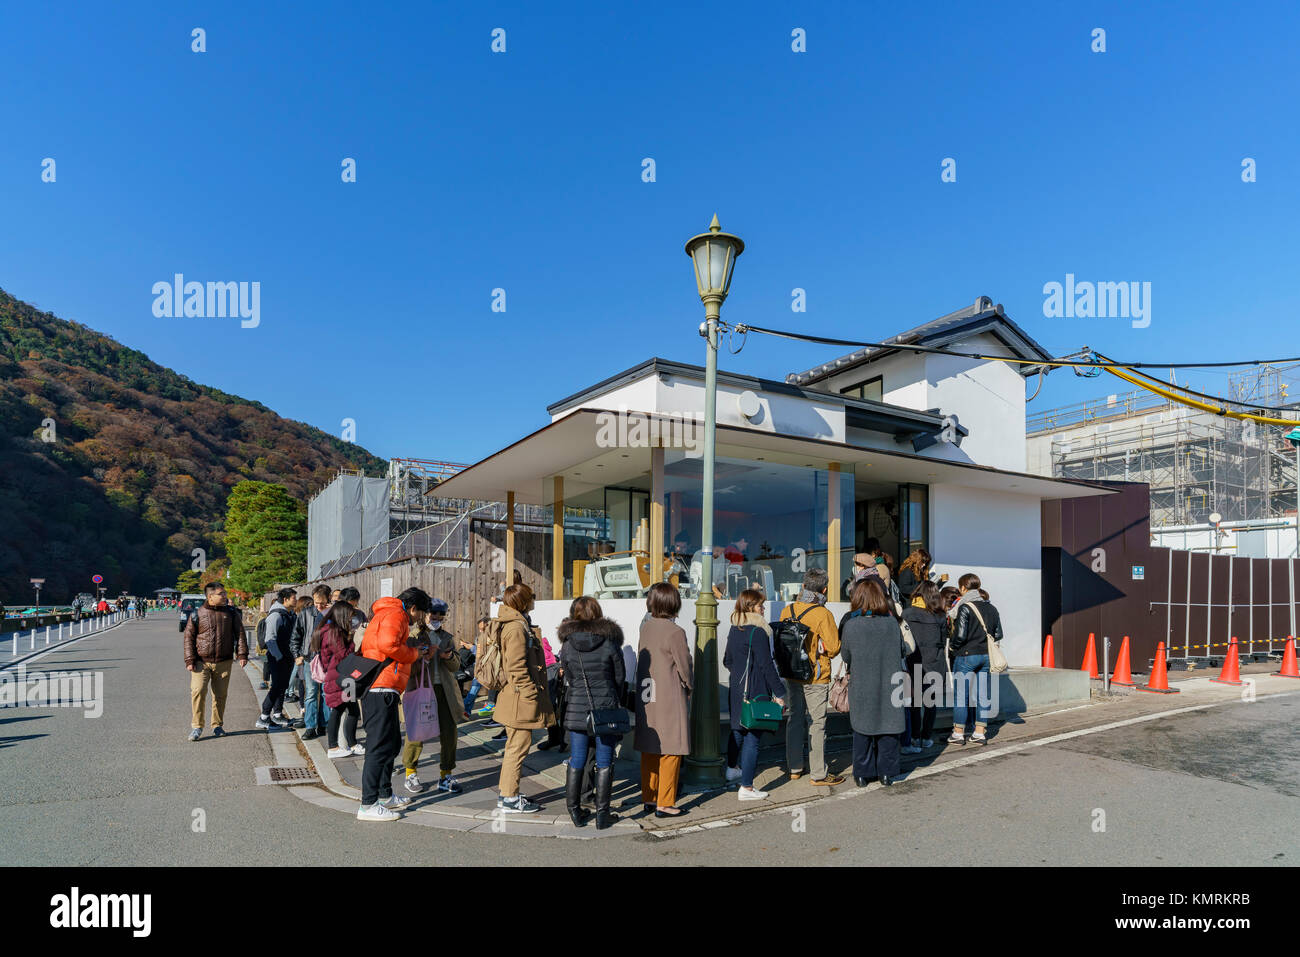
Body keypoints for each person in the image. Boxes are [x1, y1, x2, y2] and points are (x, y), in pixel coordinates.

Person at [357, 587, 429, 821]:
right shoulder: (397, 614)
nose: (419, 619)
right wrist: (413, 653)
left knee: (390, 744)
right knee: (378, 748)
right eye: (420, 613)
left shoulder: (386, 612)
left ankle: (384, 794)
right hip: (381, 687)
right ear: (413, 608)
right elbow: (389, 644)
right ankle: (368, 804)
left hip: (382, 687)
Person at [558, 596, 626, 828]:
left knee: (577, 759)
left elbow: (568, 675)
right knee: (604, 760)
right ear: (597, 613)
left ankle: (574, 812)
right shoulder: (609, 642)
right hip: (604, 708)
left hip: (577, 708)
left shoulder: (567, 644)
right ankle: (602, 814)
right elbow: (619, 677)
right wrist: (610, 696)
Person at [779, 567, 845, 787]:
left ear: (804, 586)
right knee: (817, 723)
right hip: (815, 676)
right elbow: (834, 647)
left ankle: (794, 768)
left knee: (795, 719)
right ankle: (818, 773)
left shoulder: (787, 610)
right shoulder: (823, 614)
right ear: (824, 589)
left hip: (791, 672)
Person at [493, 583, 555, 814]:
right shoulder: (517, 627)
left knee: (514, 747)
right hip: (520, 698)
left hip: (515, 696)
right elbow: (516, 666)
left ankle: (506, 793)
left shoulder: (513, 624)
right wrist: (530, 692)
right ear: (524, 601)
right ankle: (509, 797)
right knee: (517, 748)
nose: (534, 600)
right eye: (532, 597)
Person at [839, 577, 907, 786]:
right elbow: (902, 650)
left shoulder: (851, 626)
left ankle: (862, 774)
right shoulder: (891, 624)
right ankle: (886, 773)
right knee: (888, 727)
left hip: (862, 683)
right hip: (890, 683)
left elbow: (845, 656)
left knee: (863, 729)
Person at [635, 582, 693, 817]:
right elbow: (684, 666)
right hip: (669, 694)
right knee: (671, 749)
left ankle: (649, 797)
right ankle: (665, 802)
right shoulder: (675, 632)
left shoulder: (646, 628)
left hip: (647, 694)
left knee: (650, 747)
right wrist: (690, 686)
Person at [401, 598, 468, 796]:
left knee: (449, 733)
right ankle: (410, 772)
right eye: (433, 614)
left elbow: (456, 666)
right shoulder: (413, 635)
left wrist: (448, 657)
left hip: (444, 690)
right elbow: (407, 665)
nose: (437, 618)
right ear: (425, 614)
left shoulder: (447, 637)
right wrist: (422, 655)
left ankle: (446, 774)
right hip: (420, 689)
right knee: (417, 731)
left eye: (441, 615)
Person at [723, 589, 784, 800]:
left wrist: (740, 675)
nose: (763, 608)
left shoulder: (734, 629)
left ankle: (732, 768)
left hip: (737, 687)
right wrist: (779, 692)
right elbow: (767, 666)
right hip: (756, 688)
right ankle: (747, 788)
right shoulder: (758, 632)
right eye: (760, 605)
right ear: (751, 607)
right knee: (753, 737)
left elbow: (727, 661)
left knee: (738, 730)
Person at [182, 582, 247, 741]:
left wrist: (242, 654)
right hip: (201, 662)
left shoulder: (231, 613)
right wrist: (189, 659)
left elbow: (240, 633)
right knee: (198, 692)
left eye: (225, 593)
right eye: (221, 594)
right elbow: (188, 638)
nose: (225, 596)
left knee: (220, 695)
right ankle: (197, 726)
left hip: (223, 661)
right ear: (210, 597)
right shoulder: (197, 614)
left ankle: (217, 725)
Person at [948, 573, 1003, 746]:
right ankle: (979, 733)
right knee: (982, 695)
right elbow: (999, 634)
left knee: (961, 697)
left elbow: (960, 636)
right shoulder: (992, 608)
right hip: (986, 657)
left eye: (960, 588)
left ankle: (958, 734)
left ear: (964, 587)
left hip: (966, 656)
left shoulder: (965, 607)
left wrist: (952, 647)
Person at [902, 580, 947, 751]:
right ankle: (926, 737)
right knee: (930, 703)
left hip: (912, 661)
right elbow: (942, 641)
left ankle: (914, 737)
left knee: (913, 702)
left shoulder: (907, 613)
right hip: (934, 662)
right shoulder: (940, 616)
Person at [318, 602, 364, 759]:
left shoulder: (335, 631)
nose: (352, 621)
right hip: (338, 678)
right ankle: (333, 747)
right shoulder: (334, 633)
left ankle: (352, 744)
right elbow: (343, 655)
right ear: (343, 616)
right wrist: (354, 641)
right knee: (337, 710)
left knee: (353, 711)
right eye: (350, 618)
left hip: (344, 677)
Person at [292, 585, 332, 737]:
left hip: (328, 660)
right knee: (310, 693)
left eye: (322, 602)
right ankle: (310, 726)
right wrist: (297, 655)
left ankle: (324, 725)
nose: (319, 606)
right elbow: (295, 636)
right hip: (310, 658)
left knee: (326, 694)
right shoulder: (306, 613)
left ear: (328, 599)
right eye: (316, 602)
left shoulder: (333, 614)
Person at [256, 588, 297, 729]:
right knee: (277, 687)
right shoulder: (276, 615)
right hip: (278, 657)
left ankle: (278, 715)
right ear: (285, 599)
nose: (295, 600)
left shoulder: (288, 614)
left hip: (285, 656)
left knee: (282, 686)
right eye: (293, 598)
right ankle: (264, 717)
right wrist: (279, 656)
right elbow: (270, 639)